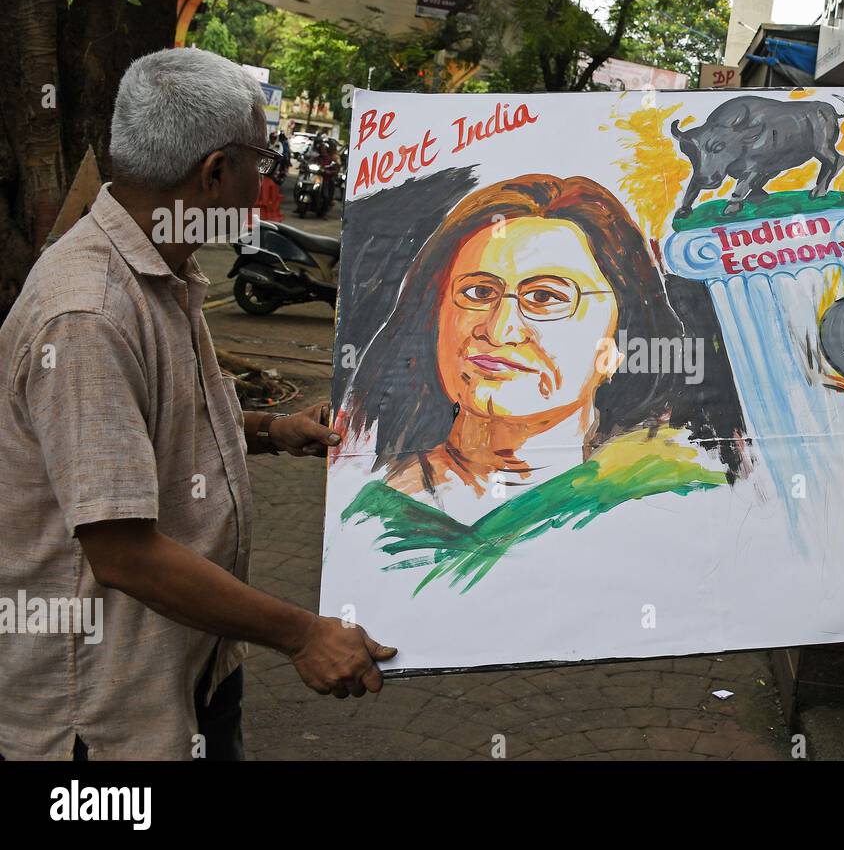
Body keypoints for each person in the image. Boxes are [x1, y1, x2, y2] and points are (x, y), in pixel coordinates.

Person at [0, 48, 395, 761]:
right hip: (110, 717)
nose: (264, 188)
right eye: (261, 165)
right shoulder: (88, 314)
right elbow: (122, 552)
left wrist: (271, 430)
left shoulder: (161, 272)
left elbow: (153, 428)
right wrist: (301, 634)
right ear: (216, 174)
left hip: (191, 668)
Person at [338, 175, 734, 591]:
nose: (500, 329)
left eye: (545, 297)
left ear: (618, 342)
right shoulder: (371, 514)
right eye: (476, 292)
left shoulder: (671, 501)